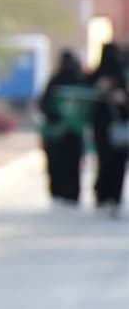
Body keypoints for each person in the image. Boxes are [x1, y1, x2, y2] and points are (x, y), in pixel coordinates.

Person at [38, 50, 91, 207]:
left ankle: (58, 193)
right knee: (73, 164)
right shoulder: (80, 80)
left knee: (57, 164)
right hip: (74, 132)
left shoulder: (55, 80)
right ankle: (73, 194)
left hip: (56, 132)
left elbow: (44, 105)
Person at [88, 41, 129, 217]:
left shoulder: (121, 78)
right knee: (109, 163)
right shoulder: (98, 78)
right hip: (106, 130)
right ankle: (107, 197)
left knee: (112, 164)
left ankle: (110, 198)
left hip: (112, 130)